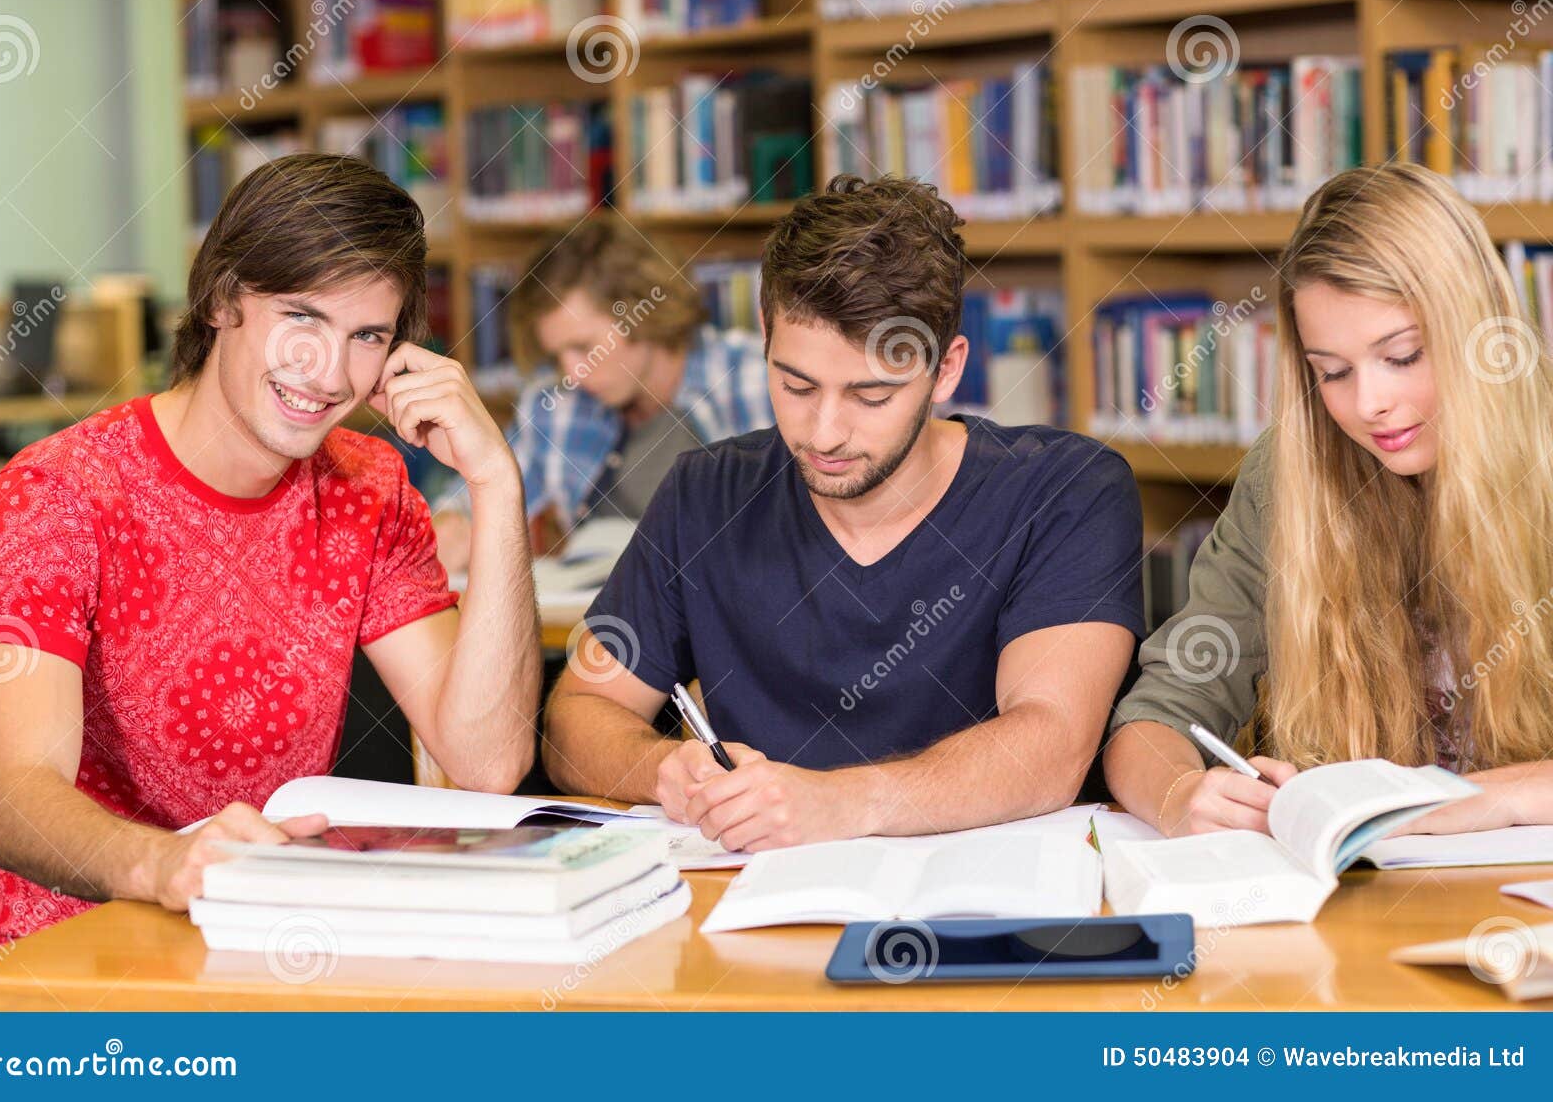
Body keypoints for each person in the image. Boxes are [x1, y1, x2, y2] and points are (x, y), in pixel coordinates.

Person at [0, 154, 540, 959]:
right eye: (302, 317)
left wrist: (496, 483)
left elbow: (487, 760)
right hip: (56, 968)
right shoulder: (56, 494)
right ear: (223, 298)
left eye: (366, 334)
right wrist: (168, 865)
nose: (327, 372)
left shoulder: (368, 487)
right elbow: (16, 802)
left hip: (254, 948)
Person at [540, 174, 1146, 851]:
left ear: (945, 370)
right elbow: (577, 714)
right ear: (766, 335)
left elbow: (1052, 745)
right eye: (796, 384)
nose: (824, 432)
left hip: (991, 917)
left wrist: (837, 802)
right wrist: (663, 769)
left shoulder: (1065, 492)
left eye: (869, 395)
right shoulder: (704, 494)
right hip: (759, 911)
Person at [1105, 161, 1553, 838]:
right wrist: (1179, 795)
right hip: (1356, 905)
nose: (1369, 404)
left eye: (1402, 356)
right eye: (1332, 372)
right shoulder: (1288, 472)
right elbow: (1158, 715)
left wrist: (1465, 801)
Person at [431, 217, 772, 569]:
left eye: (583, 347)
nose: (573, 373)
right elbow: (479, 494)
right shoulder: (555, 406)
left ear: (642, 313)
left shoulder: (755, 379)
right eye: (558, 354)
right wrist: (454, 524)